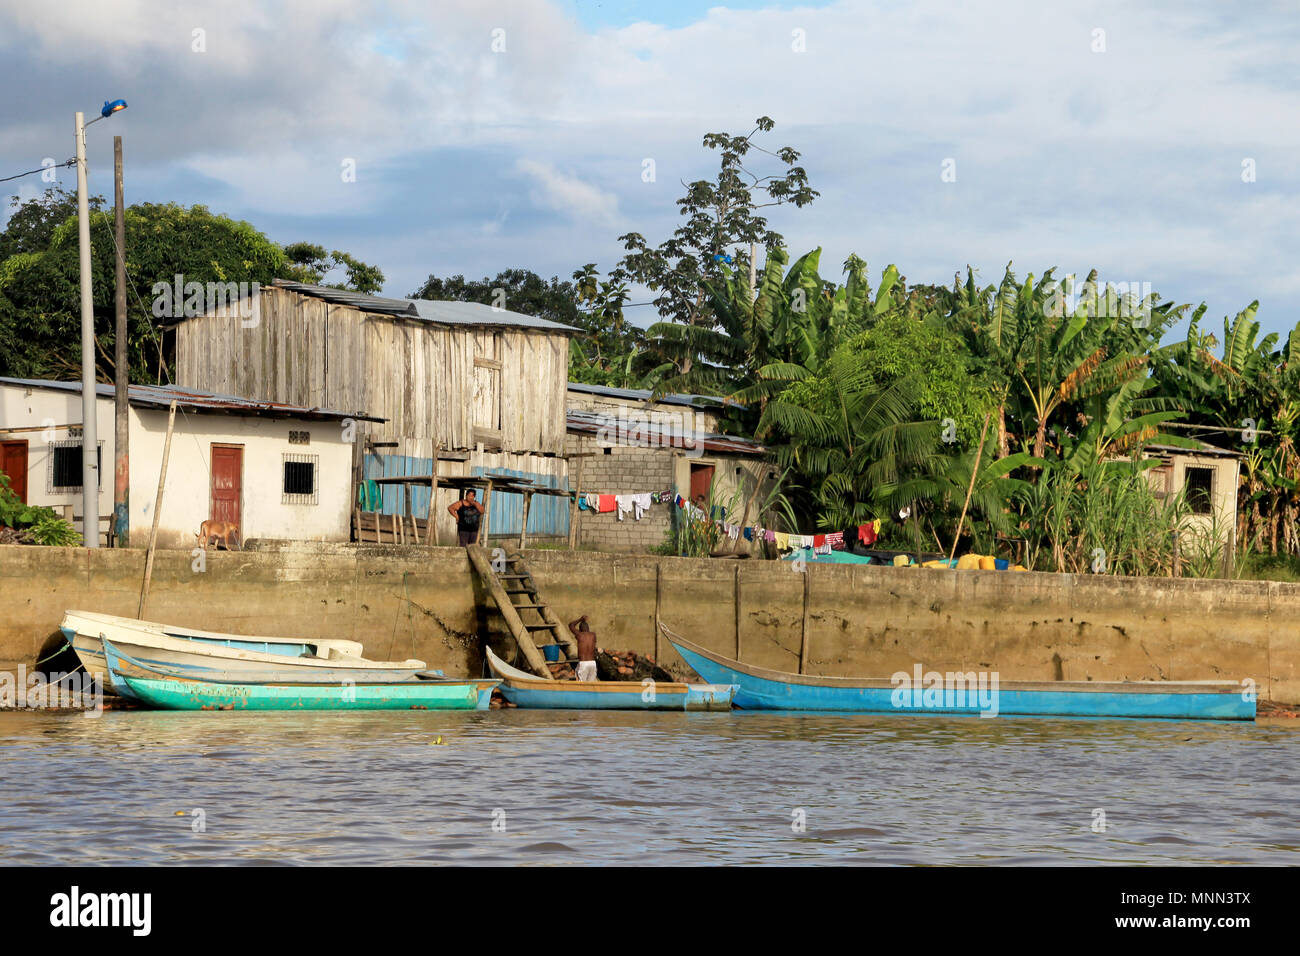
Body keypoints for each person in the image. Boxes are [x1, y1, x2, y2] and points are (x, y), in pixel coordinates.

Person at [568, 615, 598, 682]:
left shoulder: (579, 635)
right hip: (593, 663)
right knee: (591, 685)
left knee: (581, 685)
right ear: (588, 628)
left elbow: (571, 625)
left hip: (583, 664)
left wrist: (580, 619)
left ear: (580, 630)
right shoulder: (593, 635)